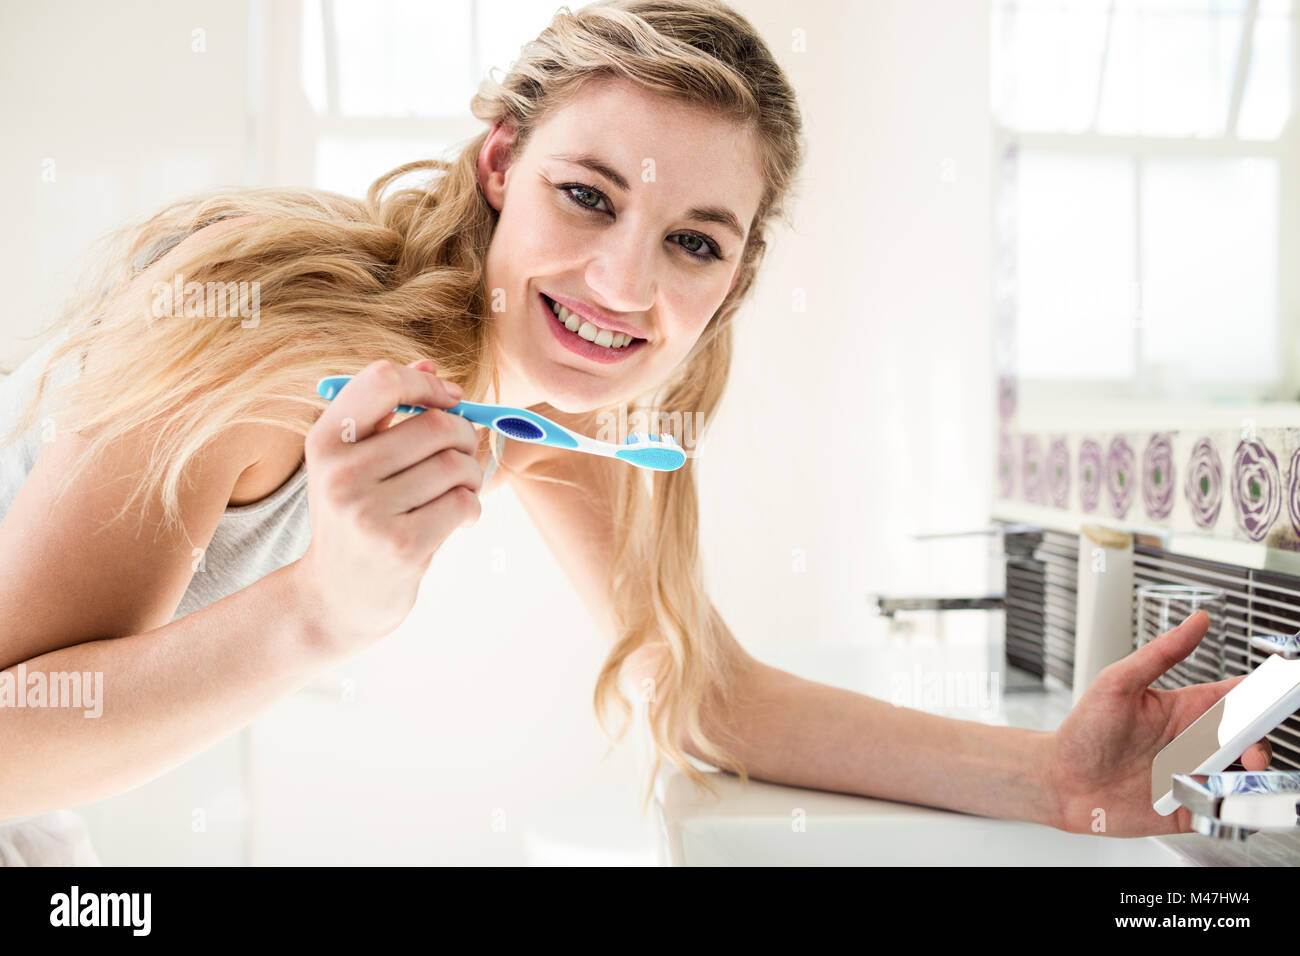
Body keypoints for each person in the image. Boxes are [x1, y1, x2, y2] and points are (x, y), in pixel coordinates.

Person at [0, 0, 1269, 865]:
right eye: (584, 195)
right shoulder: (258, 341)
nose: (620, 284)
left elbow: (707, 690)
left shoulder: (553, 407)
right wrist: (321, 611)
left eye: (692, 241)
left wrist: (1049, 773)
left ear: (736, 273)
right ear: (499, 162)